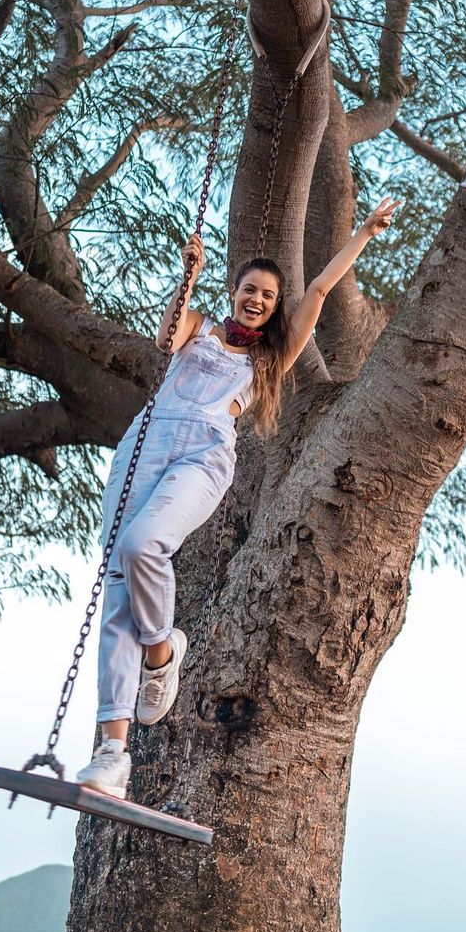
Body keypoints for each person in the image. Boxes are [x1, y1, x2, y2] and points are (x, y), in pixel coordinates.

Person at [76, 196, 399, 798]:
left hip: (203, 452)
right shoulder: (199, 326)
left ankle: (160, 651)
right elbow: (166, 338)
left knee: (145, 546)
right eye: (249, 289)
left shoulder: (271, 355)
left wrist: (363, 231)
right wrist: (187, 276)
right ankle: (112, 752)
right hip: (143, 444)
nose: (257, 299)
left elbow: (323, 289)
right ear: (234, 291)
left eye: (268, 296)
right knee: (119, 579)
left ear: (274, 308)